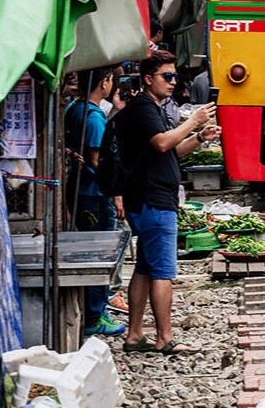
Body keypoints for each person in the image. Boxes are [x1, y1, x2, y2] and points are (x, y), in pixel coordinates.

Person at [120, 50, 221, 354]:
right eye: (167, 76)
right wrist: (194, 120)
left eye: (175, 76)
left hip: (148, 196)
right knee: (163, 272)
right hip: (154, 199)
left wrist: (199, 138)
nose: (173, 82)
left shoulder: (156, 108)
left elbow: (170, 151)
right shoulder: (144, 108)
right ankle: (165, 337)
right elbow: (163, 142)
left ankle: (135, 335)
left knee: (144, 268)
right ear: (149, 79)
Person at [64, 66, 126, 337]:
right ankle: (95, 314)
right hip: (95, 193)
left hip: (81, 191)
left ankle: (94, 309)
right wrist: (117, 193)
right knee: (99, 254)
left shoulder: (73, 109)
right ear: (105, 82)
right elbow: (97, 160)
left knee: (89, 250)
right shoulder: (93, 118)